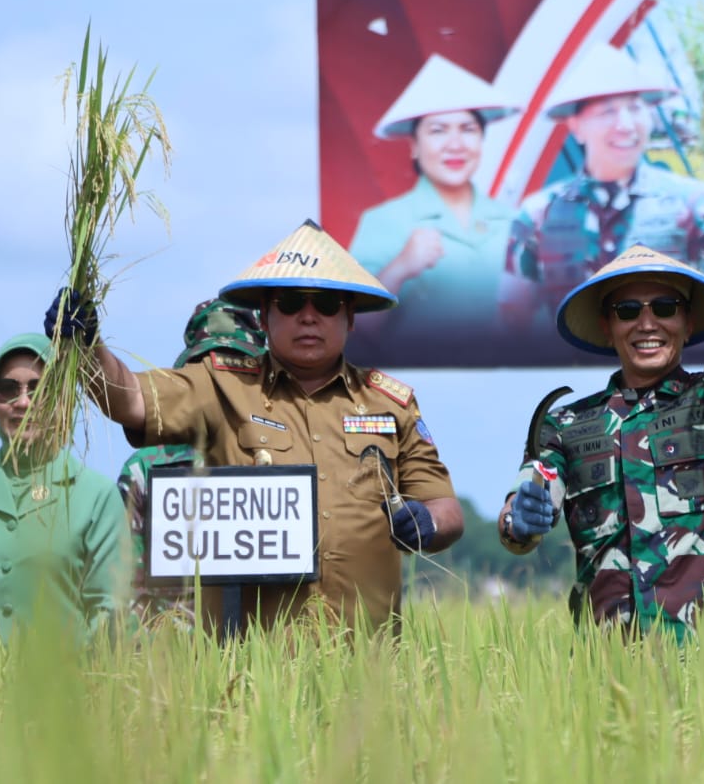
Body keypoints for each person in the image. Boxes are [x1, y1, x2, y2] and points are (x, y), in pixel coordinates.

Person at [46, 220, 465, 633]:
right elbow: (131, 399)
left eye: (326, 304)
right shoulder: (220, 385)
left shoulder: (391, 403)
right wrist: (86, 347)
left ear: (350, 317)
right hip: (251, 670)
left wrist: (426, 523)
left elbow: (445, 508)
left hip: (368, 668)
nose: (308, 317)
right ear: (264, 316)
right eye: (289, 303)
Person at [495, 203, 704, 638]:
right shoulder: (566, 424)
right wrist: (519, 519)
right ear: (606, 326)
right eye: (627, 311)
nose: (647, 323)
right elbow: (523, 512)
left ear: (688, 322)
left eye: (664, 307)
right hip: (607, 670)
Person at [497, 42, 704, 334]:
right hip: (576, 373)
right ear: (576, 127)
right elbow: (511, 316)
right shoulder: (539, 214)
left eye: (635, 108)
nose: (625, 124)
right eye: (607, 112)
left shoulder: (692, 202)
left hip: (671, 375)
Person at [348, 55, 521, 358]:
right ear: (413, 145)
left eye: (468, 129)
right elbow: (354, 326)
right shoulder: (382, 222)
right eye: (438, 131)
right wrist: (400, 267)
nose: (455, 144)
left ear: (482, 139)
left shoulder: (515, 222)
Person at [116, 298, 267, 626]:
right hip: (172, 659)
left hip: (274, 655)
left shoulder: (284, 457)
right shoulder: (145, 470)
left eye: (238, 370)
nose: (222, 385)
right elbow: (127, 589)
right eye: (207, 372)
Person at [0, 333, 127, 642]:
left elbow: (109, 613)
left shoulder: (96, 496)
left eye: (40, 388)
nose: (23, 402)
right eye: (8, 389)